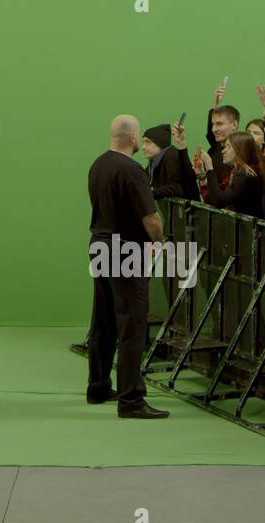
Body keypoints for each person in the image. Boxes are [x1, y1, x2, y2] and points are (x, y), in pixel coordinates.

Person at [86, 114, 170, 419]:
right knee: (133, 324)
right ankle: (131, 399)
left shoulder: (98, 165)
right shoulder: (133, 171)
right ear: (133, 138)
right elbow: (152, 219)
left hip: (99, 245)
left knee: (104, 319)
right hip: (126, 250)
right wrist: (159, 242)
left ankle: (97, 386)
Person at [196, 132, 265, 218]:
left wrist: (209, 167)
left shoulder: (244, 174)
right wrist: (203, 177)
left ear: (240, 150)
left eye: (229, 147)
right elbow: (213, 199)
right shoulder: (234, 172)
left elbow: (220, 201)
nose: (223, 151)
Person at [206, 80, 241, 178]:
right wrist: (216, 104)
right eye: (213, 124)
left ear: (234, 125)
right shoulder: (213, 151)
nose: (214, 129)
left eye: (219, 124)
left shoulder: (243, 152)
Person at [142, 123, 186, 199]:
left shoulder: (172, 156)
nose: (143, 147)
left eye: (148, 142)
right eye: (143, 143)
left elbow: (176, 188)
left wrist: (148, 193)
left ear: (160, 143)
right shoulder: (153, 162)